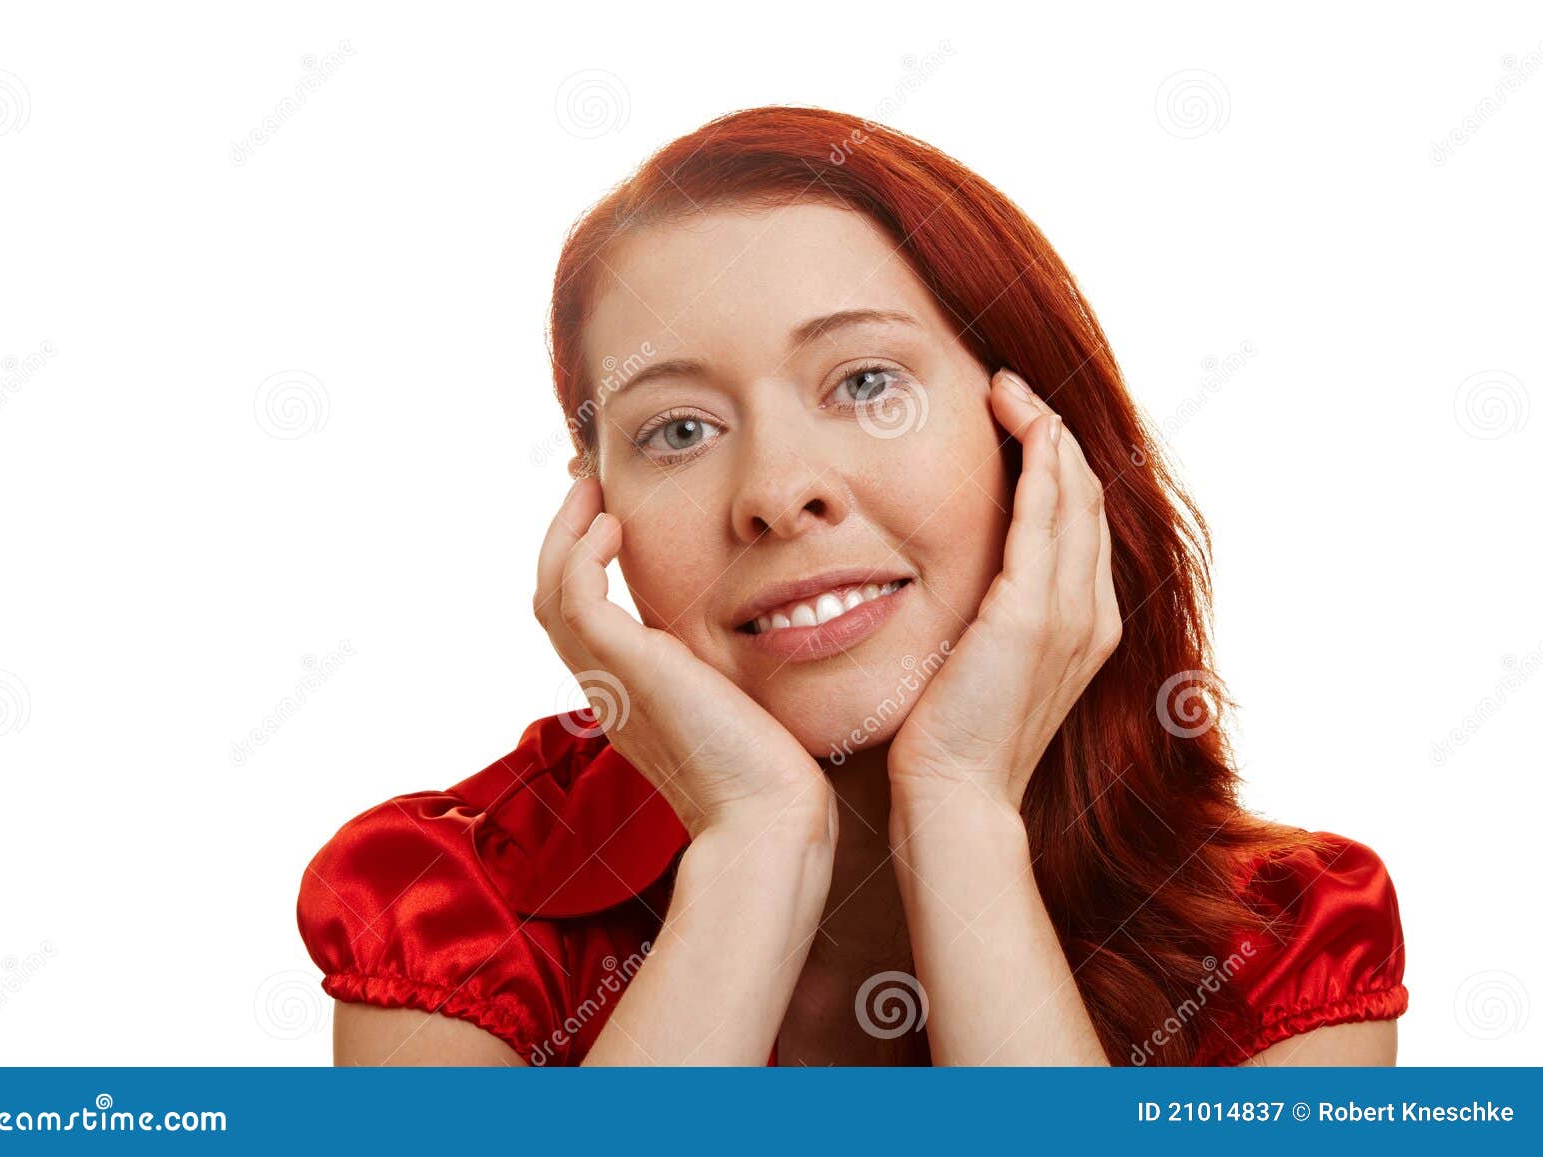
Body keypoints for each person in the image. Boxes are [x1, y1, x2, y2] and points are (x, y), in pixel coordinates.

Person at [297, 106, 1407, 1066]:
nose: (777, 493)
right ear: (596, 512)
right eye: (678, 429)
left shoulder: (1285, 946)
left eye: (866, 381)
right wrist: (754, 844)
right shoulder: (446, 908)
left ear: (1035, 437)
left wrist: (962, 809)